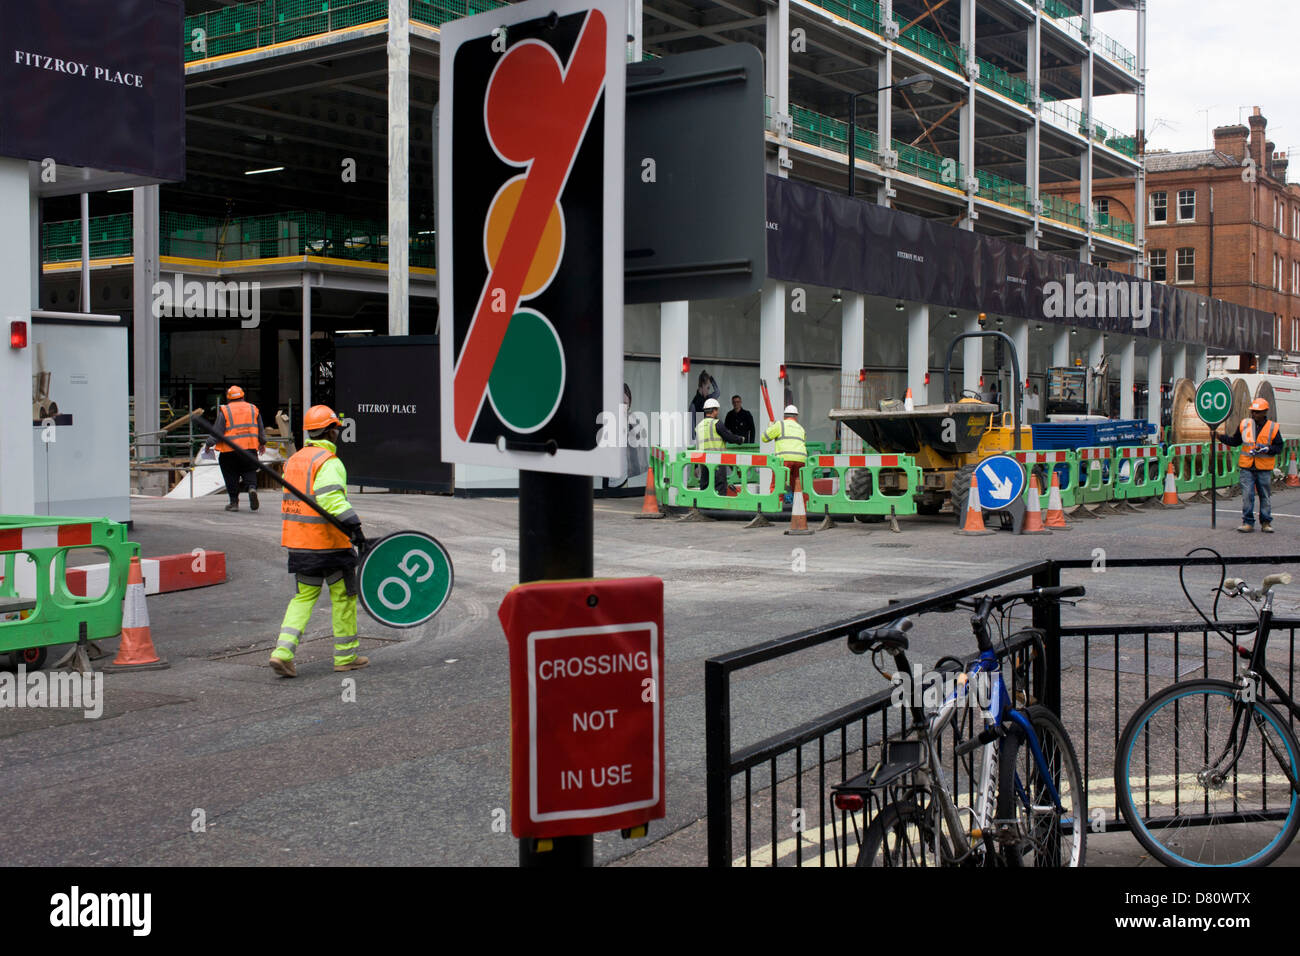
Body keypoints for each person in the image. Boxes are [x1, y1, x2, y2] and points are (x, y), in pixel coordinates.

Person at [270, 405, 369, 678]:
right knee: (343, 598)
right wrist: (355, 526)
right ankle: (345, 656)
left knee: (303, 598)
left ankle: (282, 653)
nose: (337, 433)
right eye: (336, 428)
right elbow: (330, 499)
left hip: (300, 545)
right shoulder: (329, 461)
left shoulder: (295, 461)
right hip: (330, 546)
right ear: (331, 431)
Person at [1217, 398, 1283, 534]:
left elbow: (1279, 447)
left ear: (1264, 412)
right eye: (1253, 411)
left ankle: (1266, 522)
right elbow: (1235, 441)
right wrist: (1219, 437)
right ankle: (1247, 522)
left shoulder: (1273, 427)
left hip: (1264, 468)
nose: (1254, 414)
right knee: (1247, 495)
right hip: (1247, 467)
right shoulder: (1244, 424)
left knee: (1264, 495)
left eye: (1257, 412)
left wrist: (1267, 449)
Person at [205, 385, 265, 512]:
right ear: (243, 396)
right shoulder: (253, 409)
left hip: (229, 451)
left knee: (231, 475)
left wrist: (209, 444)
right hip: (249, 448)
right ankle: (251, 488)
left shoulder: (226, 410)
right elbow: (260, 428)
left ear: (229, 399)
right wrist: (262, 443)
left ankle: (234, 503)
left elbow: (218, 431)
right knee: (249, 470)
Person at [695, 397, 746, 494]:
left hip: (703, 460)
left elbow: (697, 445)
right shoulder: (716, 423)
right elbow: (728, 436)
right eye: (717, 410)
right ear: (714, 410)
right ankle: (718, 507)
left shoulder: (699, 425)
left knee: (705, 483)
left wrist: (696, 466)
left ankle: (705, 506)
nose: (717, 412)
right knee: (720, 484)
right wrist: (740, 439)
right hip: (717, 459)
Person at [762, 404, 808, 500]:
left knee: (778, 485)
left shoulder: (780, 425)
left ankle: (776, 506)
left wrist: (770, 427)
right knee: (798, 486)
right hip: (801, 460)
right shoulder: (801, 428)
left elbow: (764, 438)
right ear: (796, 417)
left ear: (784, 416)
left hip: (784, 459)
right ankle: (801, 508)